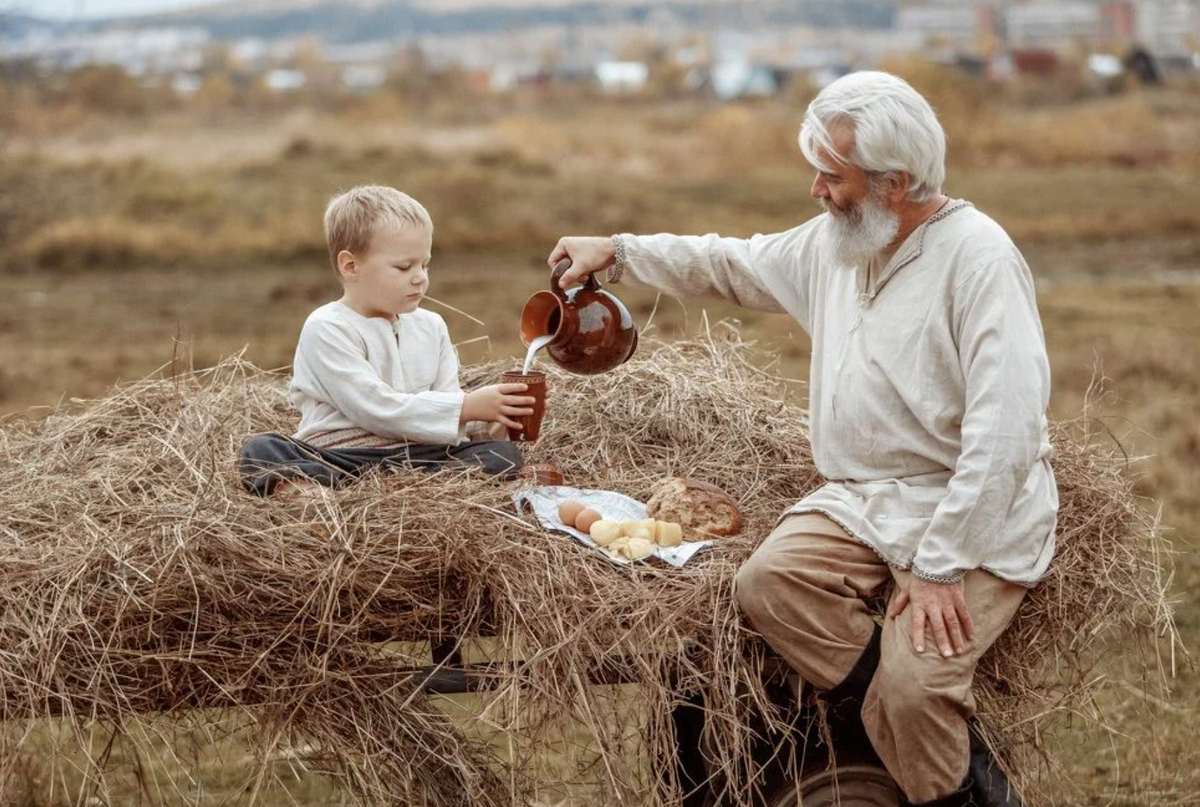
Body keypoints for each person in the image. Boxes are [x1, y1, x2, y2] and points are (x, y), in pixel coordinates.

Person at [547, 71, 1055, 807]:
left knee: (914, 692)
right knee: (768, 584)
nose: (817, 189)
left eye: (832, 174)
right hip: (865, 501)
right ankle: (891, 713)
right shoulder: (835, 244)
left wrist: (941, 566)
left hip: (972, 507)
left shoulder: (978, 258)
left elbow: (1004, 434)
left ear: (897, 181)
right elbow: (730, 262)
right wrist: (618, 251)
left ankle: (952, 763)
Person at [240, 185, 533, 497]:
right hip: (341, 459)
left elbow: (448, 400)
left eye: (425, 264)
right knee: (262, 450)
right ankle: (307, 493)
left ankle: (401, 490)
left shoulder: (432, 326)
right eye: (404, 267)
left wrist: (491, 422)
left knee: (500, 456)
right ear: (351, 266)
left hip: (417, 457)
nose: (420, 277)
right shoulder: (327, 327)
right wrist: (468, 406)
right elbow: (373, 406)